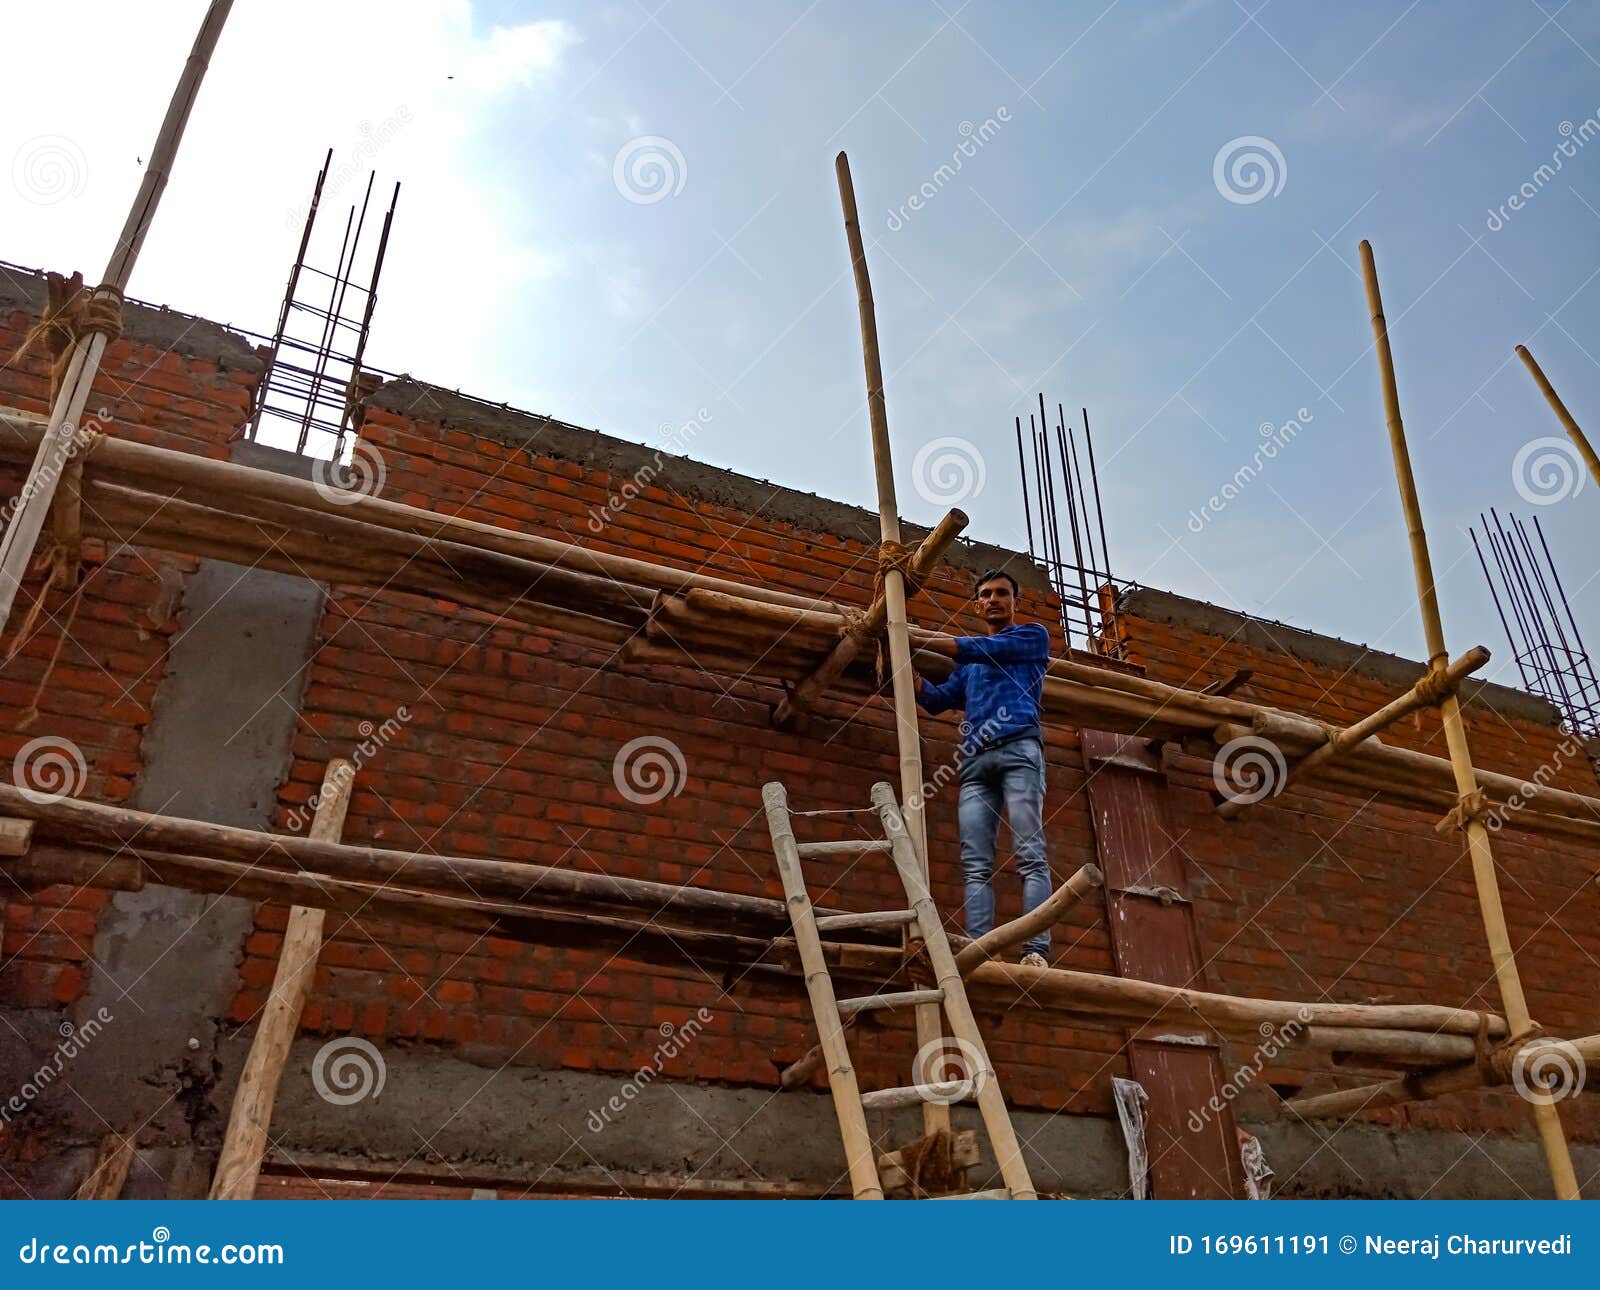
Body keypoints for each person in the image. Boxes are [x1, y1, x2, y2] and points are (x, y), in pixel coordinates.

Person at [914, 569, 1053, 968]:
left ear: (1015, 602)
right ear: (977, 604)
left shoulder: (1030, 637)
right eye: (986, 594)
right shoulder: (970, 666)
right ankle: (981, 949)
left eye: (1002, 593)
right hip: (975, 761)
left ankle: (1035, 950)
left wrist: (911, 636)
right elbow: (939, 700)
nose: (993, 599)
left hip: (1018, 749)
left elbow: (975, 648)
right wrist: (902, 666)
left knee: (1030, 853)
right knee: (975, 864)